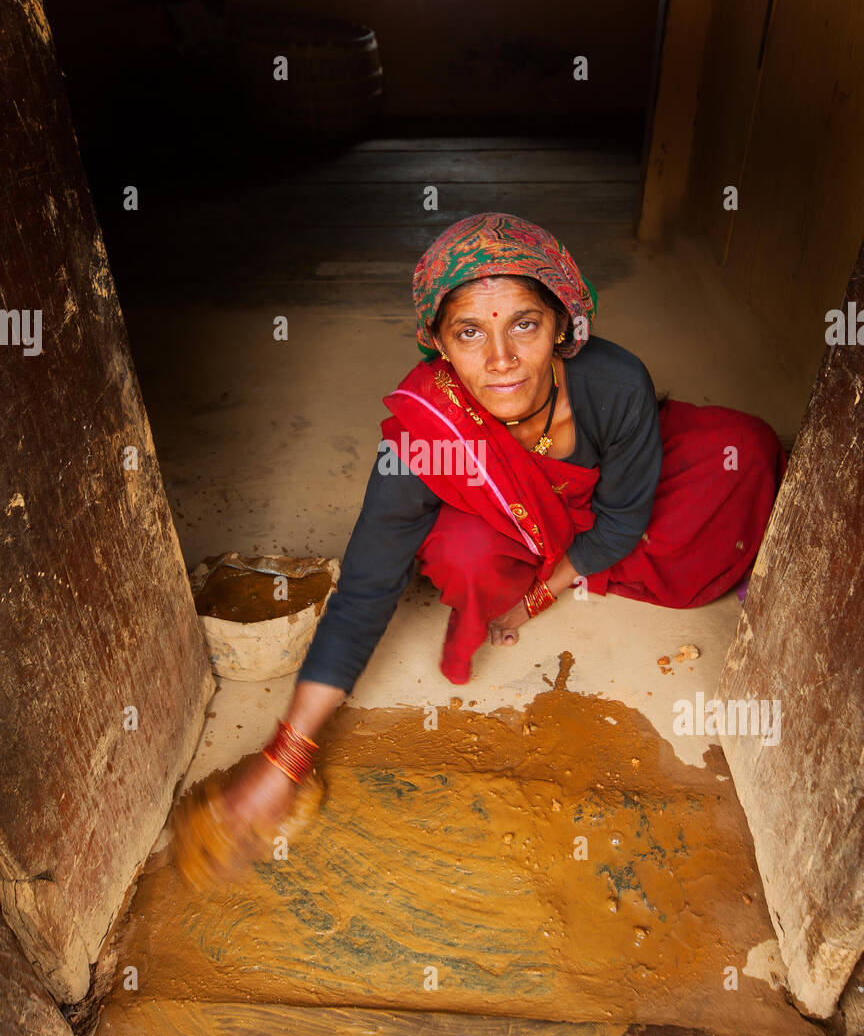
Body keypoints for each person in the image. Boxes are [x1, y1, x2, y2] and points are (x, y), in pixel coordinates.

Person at [176, 212, 785, 876]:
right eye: (469, 332)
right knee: (462, 554)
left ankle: (576, 562)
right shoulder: (424, 435)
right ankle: (545, 548)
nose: (501, 360)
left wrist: (534, 599)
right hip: (512, 522)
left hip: (599, 505)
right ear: (437, 344)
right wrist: (284, 757)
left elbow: (619, 519)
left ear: (565, 330)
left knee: (744, 453)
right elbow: (364, 593)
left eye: (524, 323)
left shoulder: (614, 383)